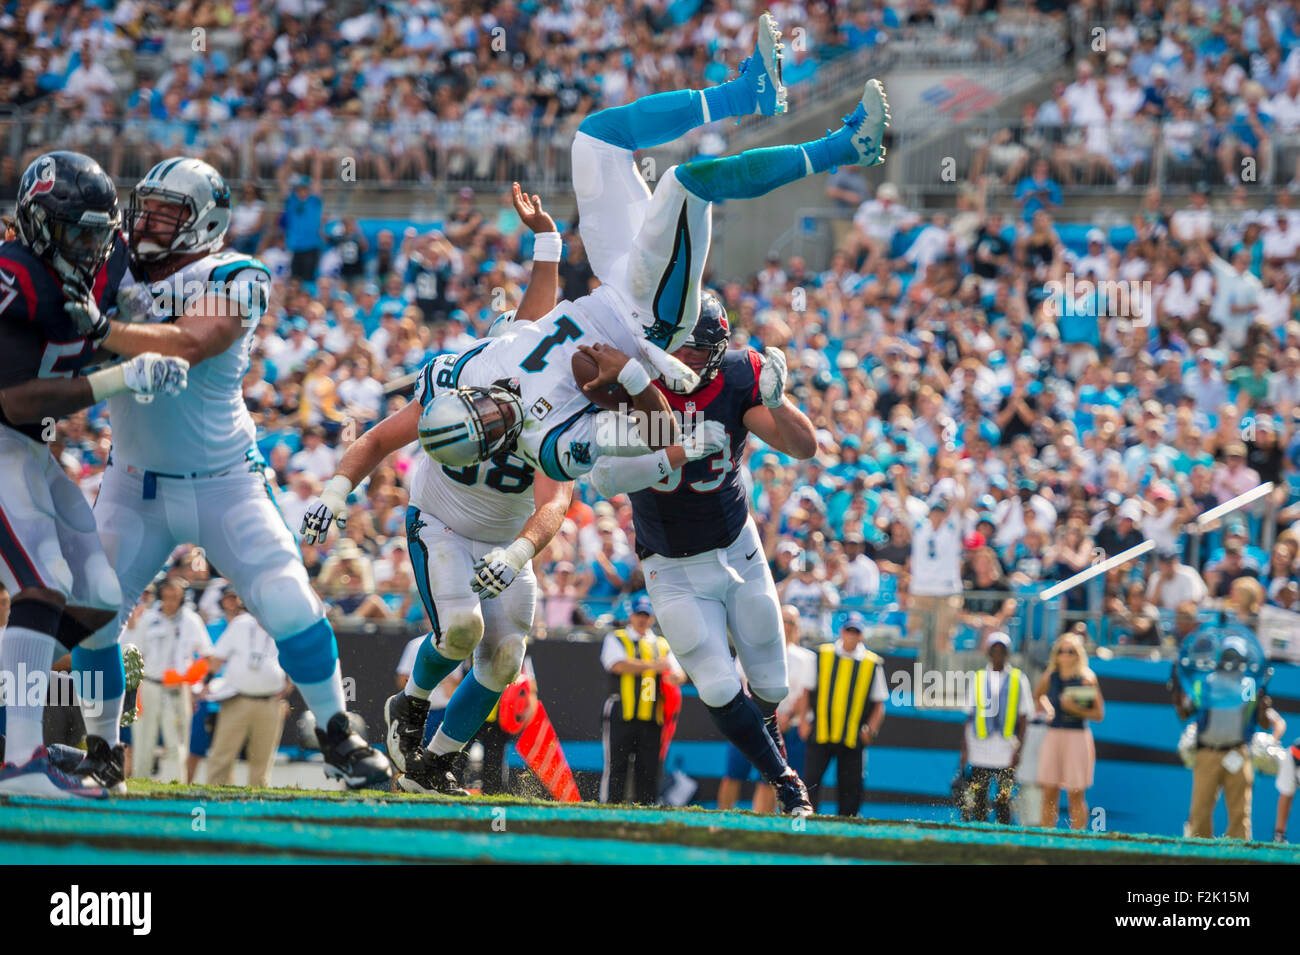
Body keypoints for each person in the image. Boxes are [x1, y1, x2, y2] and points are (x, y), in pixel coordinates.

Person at [418, 16, 889, 482]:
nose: (493, 410)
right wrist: (633, 377)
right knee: (685, 184)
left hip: (611, 283)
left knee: (596, 139)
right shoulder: (552, 446)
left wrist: (546, 240)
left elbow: (524, 324)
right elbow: (661, 431)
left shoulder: (480, 367)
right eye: (492, 426)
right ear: (495, 445)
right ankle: (847, 148)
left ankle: (747, 93)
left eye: (478, 406)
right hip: (648, 318)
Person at [83, 156, 390, 792]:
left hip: (226, 479)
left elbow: (194, 342)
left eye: (167, 214)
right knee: (93, 611)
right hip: (132, 482)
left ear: (205, 222)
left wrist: (92, 323)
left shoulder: (235, 273)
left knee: (286, 596)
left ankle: (336, 731)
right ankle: (102, 749)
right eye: (144, 208)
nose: (147, 223)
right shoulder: (110, 264)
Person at [304, 185, 574, 794]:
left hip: (507, 540)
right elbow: (374, 439)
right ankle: (412, 700)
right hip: (444, 522)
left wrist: (519, 552)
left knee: (505, 658)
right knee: (462, 631)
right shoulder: (454, 380)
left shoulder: (555, 407)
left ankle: (435, 762)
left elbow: (555, 499)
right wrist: (335, 491)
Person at [0, 151, 188, 798]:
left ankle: (19, 722)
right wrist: (118, 375)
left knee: (99, 594)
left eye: (99, 231)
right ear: (39, 223)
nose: (92, 245)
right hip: (6, 432)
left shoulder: (106, 260)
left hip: (29, 451)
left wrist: (139, 337)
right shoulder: (14, 275)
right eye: (78, 231)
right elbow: (15, 398)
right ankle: (18, 761)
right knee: (43, 580)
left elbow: (153, 325)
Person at [590, 293, 818, 814]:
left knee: (773, 684)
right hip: (670, 565)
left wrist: (780, 401)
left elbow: (804, 449)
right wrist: (679, 450)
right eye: (682, 348)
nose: (689, 361)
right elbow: (604, 478)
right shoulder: (636, 381)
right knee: (716, 685)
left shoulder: (737, 376)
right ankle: (787, 783)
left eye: (701, 350)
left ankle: (779, 776)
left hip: (737, 547)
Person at [1172, 633, 1286, 840]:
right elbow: (1185, 711)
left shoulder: (1249, 686)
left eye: (1235, 656)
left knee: (1240, 814)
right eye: (1227, 655)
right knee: (1200, 813)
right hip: (1208, 752)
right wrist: (1177, 691)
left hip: (1238, 752)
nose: (1230, 661)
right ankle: (1195, 858)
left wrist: (1262, 706)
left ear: (1243, 660)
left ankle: (1239, 859)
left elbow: (1262, 721)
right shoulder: (1206, 683)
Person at [800, 613, 888, 817]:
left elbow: (879, 704)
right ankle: (806, 820)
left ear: (862, 636)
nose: (851, 635)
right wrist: (804, 721)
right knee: (810, 781)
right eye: (849, 630)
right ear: (841, 632)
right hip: (820, 731)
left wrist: (871, 730)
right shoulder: (823, 654)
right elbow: (806, 691)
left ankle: (847, 825)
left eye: (856, 631)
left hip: (853, 736)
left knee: (851, 787)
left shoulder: (872, 662)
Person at [599, 597, 683, 804]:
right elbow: (617, 664)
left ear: (652, 618)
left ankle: (645, 810)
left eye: (646, 615)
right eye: (639, 614)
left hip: (652, 715)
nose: (642, 619)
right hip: (622, 712)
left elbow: (679, 673)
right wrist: (654, 666)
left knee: (649, 767)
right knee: (616, 764)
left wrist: (675, 677)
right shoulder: (616, 638)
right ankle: (610, 807)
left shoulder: (661, 644)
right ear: (631, 615)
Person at [204, 591, 290, 788]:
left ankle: (255, 810)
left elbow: (294, 664)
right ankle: (212, 803)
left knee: (262, 761)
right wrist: (206, 682)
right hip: (237, 699)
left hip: (270, 703)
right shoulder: (241, 623)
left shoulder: (282, 629)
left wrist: (286, 691)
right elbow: (218, 657)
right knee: (222, 757)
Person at [131, 579, 211, 783]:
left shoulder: (191, 620)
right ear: (160, 596)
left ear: (182, 597)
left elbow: (206, 656)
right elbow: (135, 655)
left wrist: (190, 678)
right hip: (149, 683)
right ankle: (140, 781)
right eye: (166, 596)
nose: (170, 601)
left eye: (175, 597)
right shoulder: (148, 619)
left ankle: (176, 783)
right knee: (143, 739)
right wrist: (135, 693)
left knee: (177, 740)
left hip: (177, 687)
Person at [958, 632, 1032, 825]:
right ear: (988, 653)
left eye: (1002, 650)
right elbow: (969, 716)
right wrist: (964, 751)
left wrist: (1019, 750)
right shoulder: (978, 678)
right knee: (979, 799)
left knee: (1004, 800)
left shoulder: (1019, 679)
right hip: (979, 747)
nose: (998, 654)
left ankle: (1004, 838)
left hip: (1007, 749)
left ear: (1008, 653)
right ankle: (979, 838)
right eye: (994, 650)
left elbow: (1024, 717)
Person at [1035, 629, 1105, 830]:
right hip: (1054, 734)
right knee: (1049, 790)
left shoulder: (1087, 678)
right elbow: (1038, 695)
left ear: (1078, 654)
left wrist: (1075, 708)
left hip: (1077, 737)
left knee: (1076, 792)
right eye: (1061, 651)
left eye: (1070, 651)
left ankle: (1078, 839)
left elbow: (1099, 714)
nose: (1065, 655)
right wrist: (1048, 709)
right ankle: (1046, 837)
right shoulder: (1051, 676)